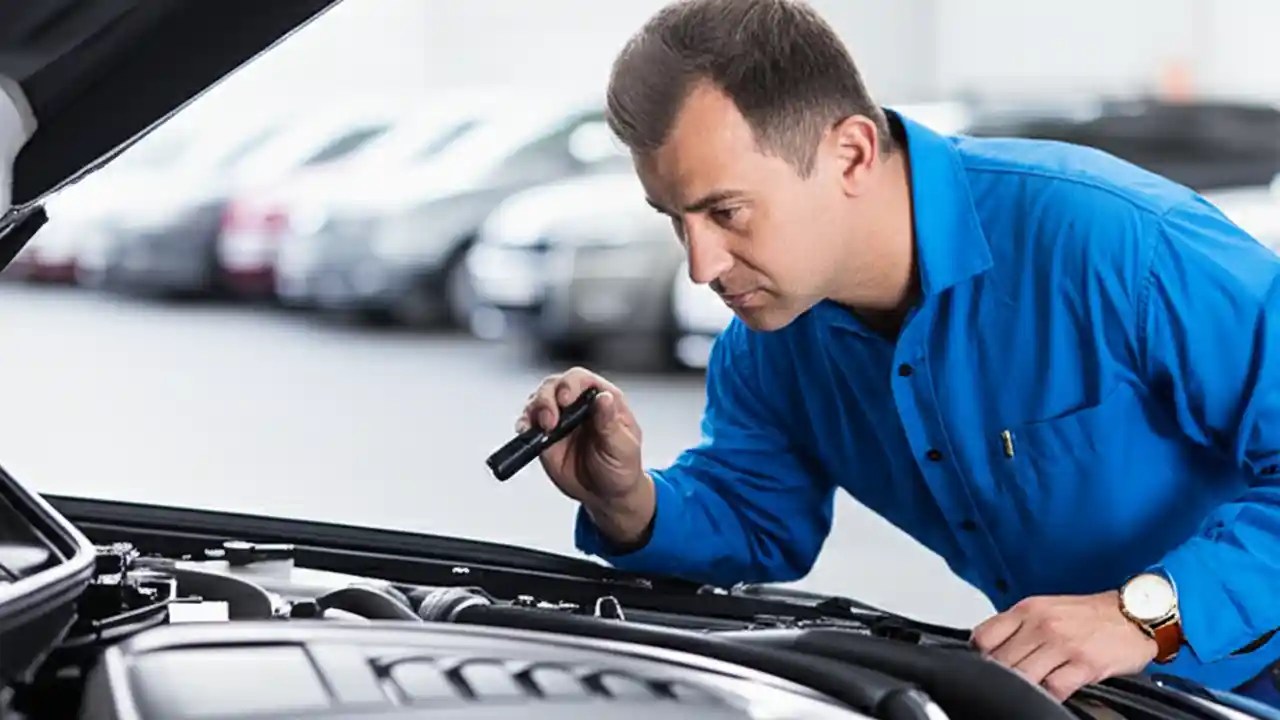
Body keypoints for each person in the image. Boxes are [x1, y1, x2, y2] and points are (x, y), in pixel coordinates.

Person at [514, 0, 1280, 705]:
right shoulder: (771, 344)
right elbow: (757, 518)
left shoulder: (1118, 246)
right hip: (1111, 702)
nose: (701, 265)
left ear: (850, 153)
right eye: (674, 219)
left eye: (726, 211)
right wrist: (625, 500)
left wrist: (1145, 615)